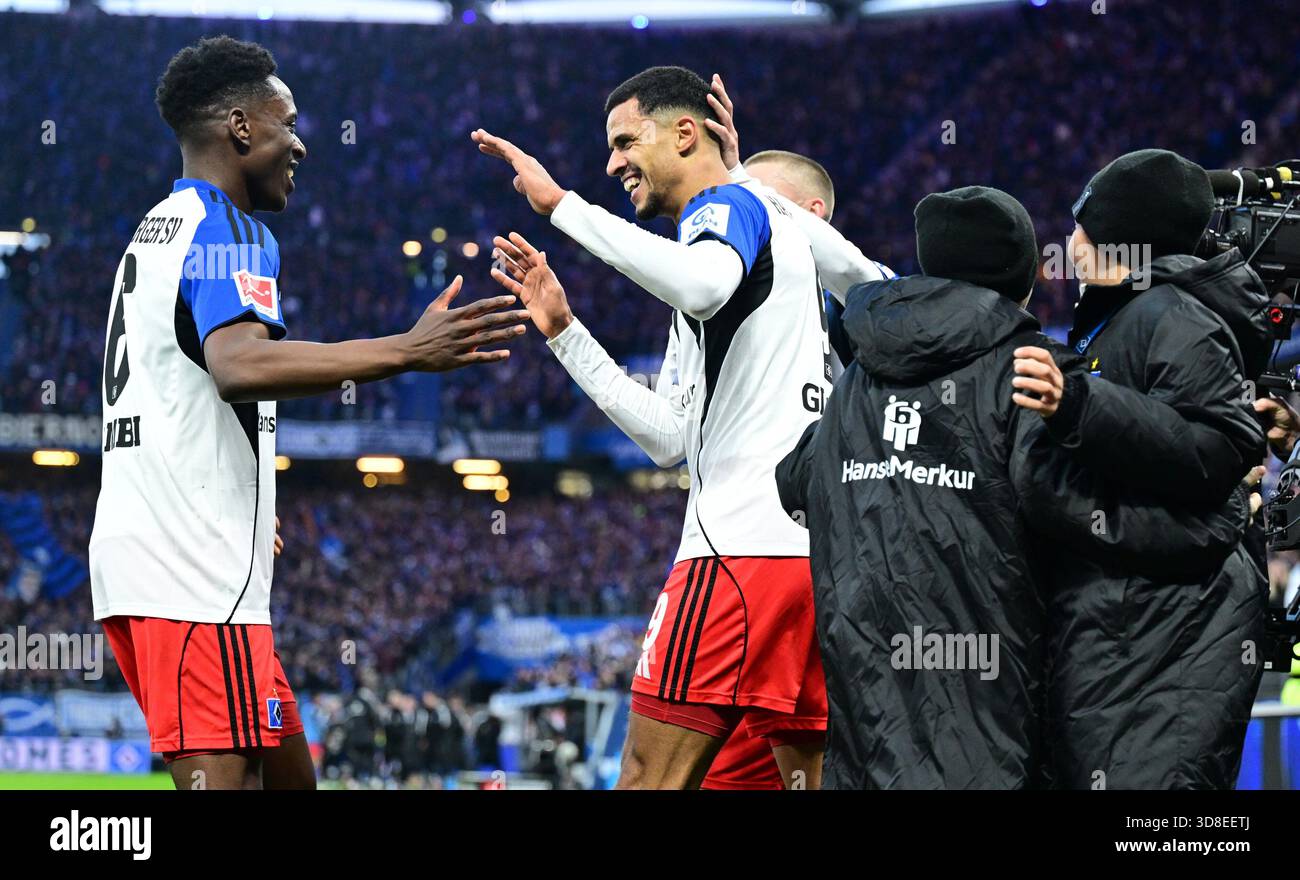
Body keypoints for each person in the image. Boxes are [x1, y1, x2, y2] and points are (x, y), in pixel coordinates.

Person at [89, 36, 529, 791]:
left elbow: (173, 389)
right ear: (239, 127)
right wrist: (406, 350)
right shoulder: (231, 228)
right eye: (286, 121)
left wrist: (246, 502)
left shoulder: (155, 228)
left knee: (292, 779)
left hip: (156, 558)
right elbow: (238, 366)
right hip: (193, 579)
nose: (299, 142)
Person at [775, 185, 1253, 788]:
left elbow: (793, 480)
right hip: (982, 731)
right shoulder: (1028, 370)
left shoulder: (856, 383)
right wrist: (1220, 518)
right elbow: (1081, 511)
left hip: (866, 724)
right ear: (1022, 276)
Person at [476, 66, 837, 789]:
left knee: (648, 778)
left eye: (623, 142)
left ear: (684, 132)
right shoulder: (794, 265)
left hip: (735, 560)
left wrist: (560, 206)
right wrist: (566, 332)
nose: (612, 164)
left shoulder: (723, 209)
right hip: (816, 566)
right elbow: (671, 437)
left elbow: (701, 281)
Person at [1010, 148, 1270, 788]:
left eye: (1083, 226)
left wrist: (1078, 404)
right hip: (1133, 622)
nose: (1068, 243)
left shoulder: (1171, 315)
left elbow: (1215, 448)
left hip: (1169, 628)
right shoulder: (1128, 316)